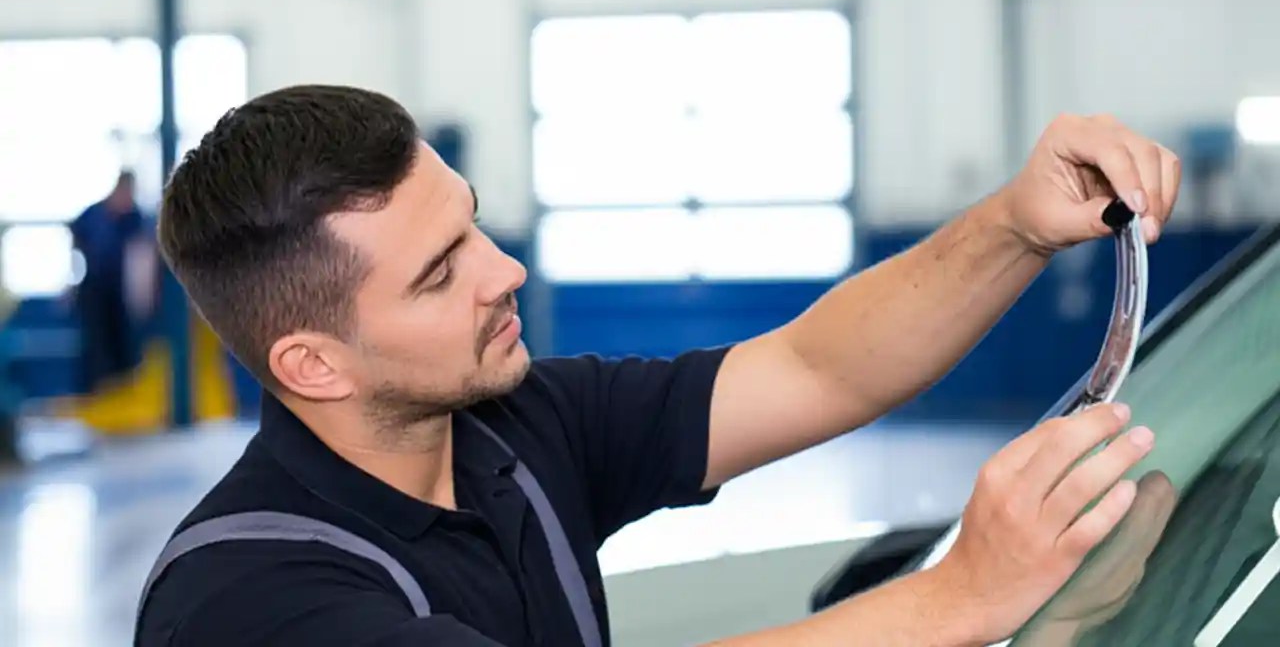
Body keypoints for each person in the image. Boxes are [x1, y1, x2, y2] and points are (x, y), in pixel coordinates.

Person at [135, 85, 1180, 647]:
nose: (503, 271)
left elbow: (817, 370)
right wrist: (955, 599)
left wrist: (1011, 225)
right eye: (438, 273)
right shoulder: (251, 596)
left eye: (475, 228)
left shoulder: (512, 427)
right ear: (313, 365)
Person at [69, 171, 148, 393]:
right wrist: (71, 284)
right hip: (93, 289)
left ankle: (119, 394)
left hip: (120, 293)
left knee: (122, 345)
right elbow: (75, 244)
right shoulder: (93, 215)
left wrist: (140, 295)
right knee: (96, 345)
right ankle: (96, 393)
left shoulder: (134, 217)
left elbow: (141, 254)